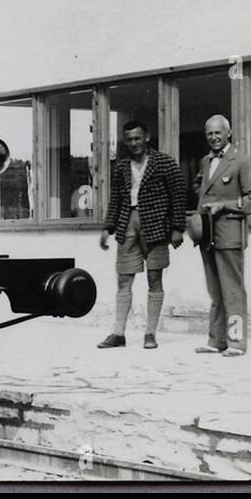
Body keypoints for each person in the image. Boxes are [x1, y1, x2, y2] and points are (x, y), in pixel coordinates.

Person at [97, 120, 185, 350]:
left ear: (147, 137)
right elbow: (116, 199)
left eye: (138, 138)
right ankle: (118, 333)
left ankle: (150, 333)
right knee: (124, 278)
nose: (134, 143)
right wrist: (108, 228)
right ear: (125, 141)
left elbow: (178, 196)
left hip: (156, 228)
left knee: (154, 278)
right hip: (128, 225)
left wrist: (177, 228)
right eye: (129, 140)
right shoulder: (122, 167)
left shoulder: (164, 163)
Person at [192, 114, 251, 357]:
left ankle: (236, 343)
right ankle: (216, 341)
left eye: (218, 133)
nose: (213, 137)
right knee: (215, 290)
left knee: (233, 290)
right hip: (207, 235)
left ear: (228, 133)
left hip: (230, 234)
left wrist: (226, 205)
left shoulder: (241, 161)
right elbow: (201, 188)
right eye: (209, 134)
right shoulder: (205, 161)